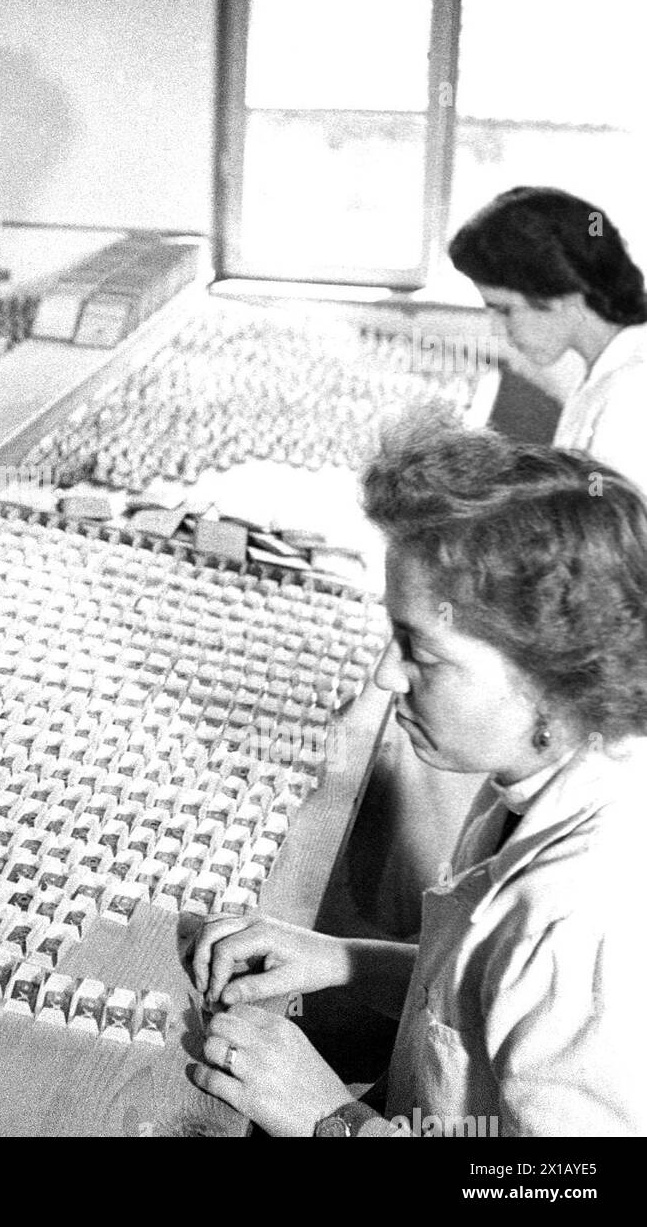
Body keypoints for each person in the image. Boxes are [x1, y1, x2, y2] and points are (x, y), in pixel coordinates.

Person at [190, 419, 647, 1136]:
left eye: (421, 651)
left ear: (546, 675)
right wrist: (349, 962)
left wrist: (331, 1119)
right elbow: (494, 1000)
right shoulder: (546, 773)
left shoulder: (591, 920)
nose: (386, 674)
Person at [450, 185, 647, 492]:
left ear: (559, 293)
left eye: (504, 310)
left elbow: (617, 531)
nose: (498, 330)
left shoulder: (632, 389)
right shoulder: (608, 367)